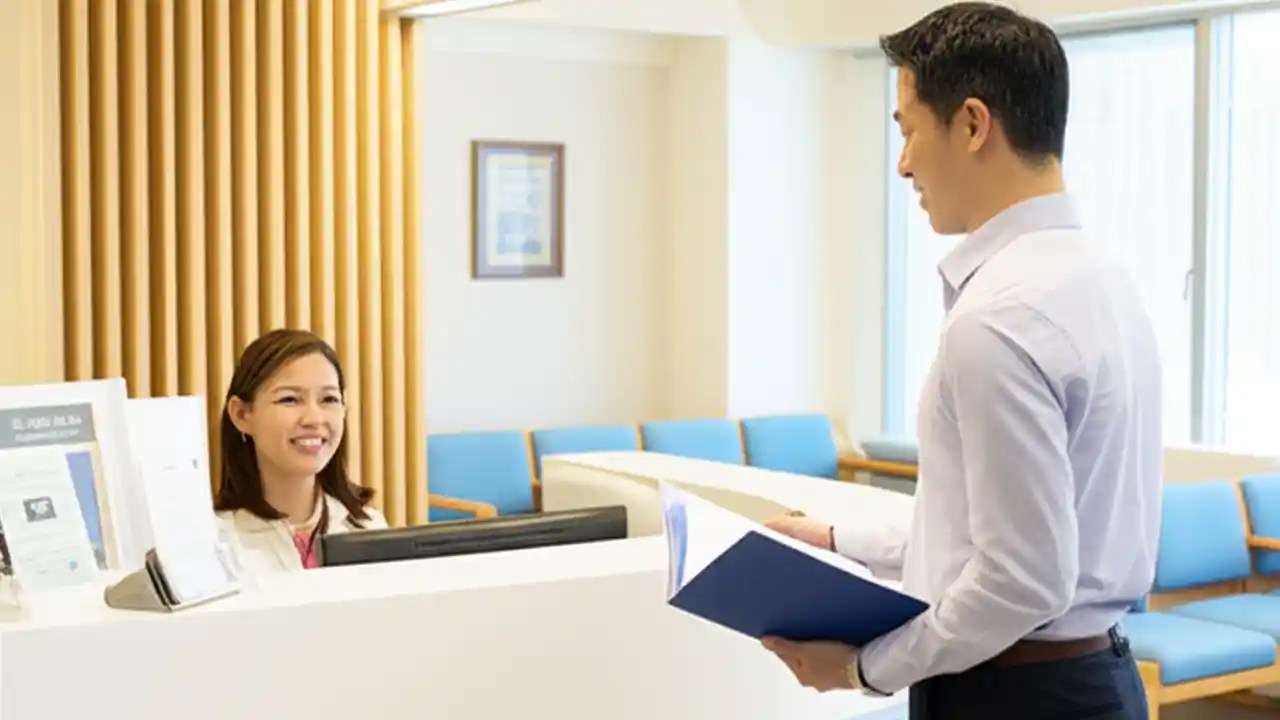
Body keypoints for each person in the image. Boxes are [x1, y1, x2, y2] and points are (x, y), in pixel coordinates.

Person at [761, 4, 1162, 718]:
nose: (904, 162)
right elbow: (999, 530)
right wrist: (836, 540)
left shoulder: (999, 318)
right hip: (1092, 678)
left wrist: (864, 668)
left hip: (1012, 693)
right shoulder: (1105, 279)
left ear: (973, 124)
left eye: (909, 129)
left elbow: (1023, 577)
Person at [215, 329, 387, 576]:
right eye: (290, 399)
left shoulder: (368, 527)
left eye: (328, 399)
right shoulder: (214, 545)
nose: (314, 419)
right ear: (242, 415)